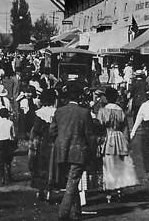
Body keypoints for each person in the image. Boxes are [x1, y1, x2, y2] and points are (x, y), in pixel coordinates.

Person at [50, 82, 94, 221]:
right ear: (79, 97)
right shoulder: (84, 112)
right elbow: (90, 135)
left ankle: (76, 212)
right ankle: (63, 214)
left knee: (71, 182)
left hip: (62, 151)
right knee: (72, 183)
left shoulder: (59, 111)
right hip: (78, 151)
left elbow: (52, 131)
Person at [97, 87, 137, 202]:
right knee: (119, 165)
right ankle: (119, 191)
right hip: (119, 138)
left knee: (108, 166)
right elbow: (125, 128)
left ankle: (109, 193)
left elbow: (99, 127)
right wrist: (127, 142)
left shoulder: (103, 110)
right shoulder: (120, 110)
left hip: (107, 138)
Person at [29, 89, 59, 201]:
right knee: (51, 167)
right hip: (54, 142)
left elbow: (36, 129)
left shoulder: (39, 113)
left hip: (42, 142)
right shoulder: (57, 112)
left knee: (40, 165)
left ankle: (40, 190)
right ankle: (50, 191)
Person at [0, 107, 16, 184]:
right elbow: (13, 135)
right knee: (8, 161)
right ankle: (9, 176)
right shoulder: (10, 123)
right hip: (8, 143)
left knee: (1, 162)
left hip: (0, 143)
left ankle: (2, 178)